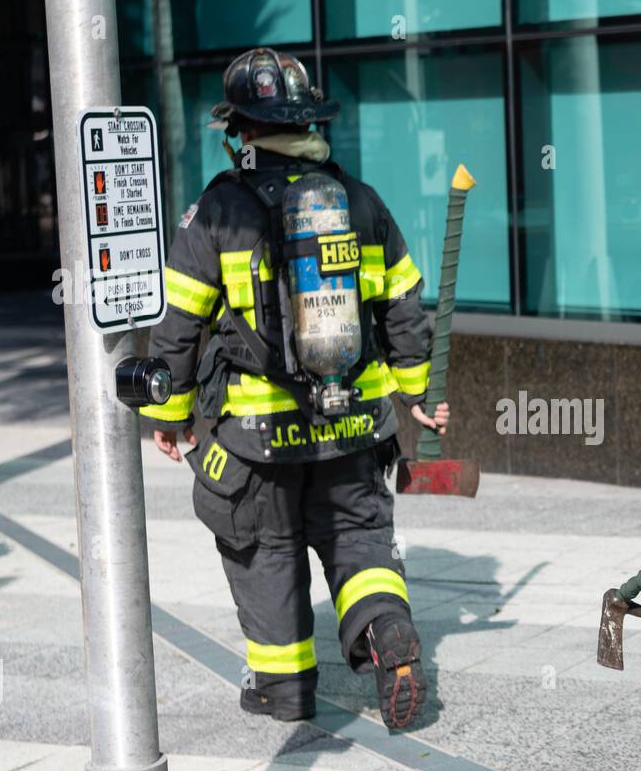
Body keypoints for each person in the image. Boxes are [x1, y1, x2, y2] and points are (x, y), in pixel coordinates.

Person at [143, 47, 446, 730]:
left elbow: (179, 323)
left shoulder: (218, 210)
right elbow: (404, 309)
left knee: (265, 552)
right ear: (310, 123)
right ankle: (386, 630)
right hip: (354, 426)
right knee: (361, 544)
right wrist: (417, 393)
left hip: (258, 441)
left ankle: (283, 691)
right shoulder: (360, 202)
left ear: (242, 131)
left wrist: (169, 413)